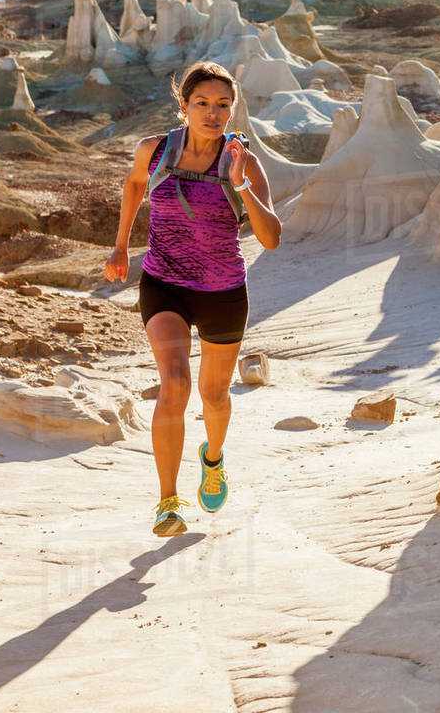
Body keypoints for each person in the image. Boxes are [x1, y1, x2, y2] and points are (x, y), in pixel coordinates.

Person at [104, 61, 282, 536]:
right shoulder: (155, 150)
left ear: (233, 110)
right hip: (164, 284)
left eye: (223, 105)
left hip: (223, 291)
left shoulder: (243, 160)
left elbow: (271, 239)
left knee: (215, 395)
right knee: (176, 384)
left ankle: (213, 458)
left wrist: (242, 181)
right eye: (201, 103)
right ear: (183, 106)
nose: (213, 113)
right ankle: (167, 502)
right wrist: (122, 245)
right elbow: (135, 185)